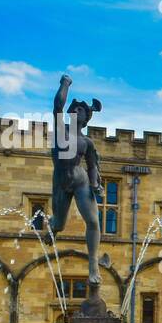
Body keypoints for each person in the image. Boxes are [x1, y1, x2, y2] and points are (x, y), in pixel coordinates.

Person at [49, 74, 103, 286]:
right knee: (60, 224)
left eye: (80, 110)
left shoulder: (86, 142)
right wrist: (65, 84)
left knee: (93, 221)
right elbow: (57, 107)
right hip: (61, 180)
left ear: (86, 117)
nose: (75, 111)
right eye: (74, 109)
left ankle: (93, 265)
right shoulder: (60, 130)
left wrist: (96, 185)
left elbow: (92, 166)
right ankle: (52, 228)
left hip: (80, 180)